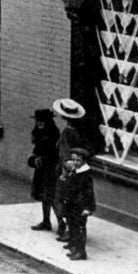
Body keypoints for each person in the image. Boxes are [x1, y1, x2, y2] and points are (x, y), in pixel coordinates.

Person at [51, 97, 88, 242]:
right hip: (77, 168)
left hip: (68, 170)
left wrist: (65, 170)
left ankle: (69, 230)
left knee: (63, 199)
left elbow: (65, 154)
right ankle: (73, 229)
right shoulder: (79, 130)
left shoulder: (68, 132)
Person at [59, 147, 96, 260]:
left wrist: (88, 208)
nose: (75, 162)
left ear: (84, 161)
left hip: (80, 205)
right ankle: (73, 245)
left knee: (79, 228)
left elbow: (89, 193)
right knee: (71, 224)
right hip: (72, 203)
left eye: (78, 160)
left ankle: (81, 251)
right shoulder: (75, 171)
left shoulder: (86, 174)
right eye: (73, 160)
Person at [28, 107, 60, 231]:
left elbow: (55, 153)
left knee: (51, 196)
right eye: (38, 120)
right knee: (43, 195)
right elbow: (36, 149)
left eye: (42, 121)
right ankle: (46, 221)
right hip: (41, 168)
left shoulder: (53, 133)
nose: (39, 123)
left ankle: (61, 223)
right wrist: (34, 158)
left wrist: (41, 158)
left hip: (51, 168)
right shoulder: (38, 132)